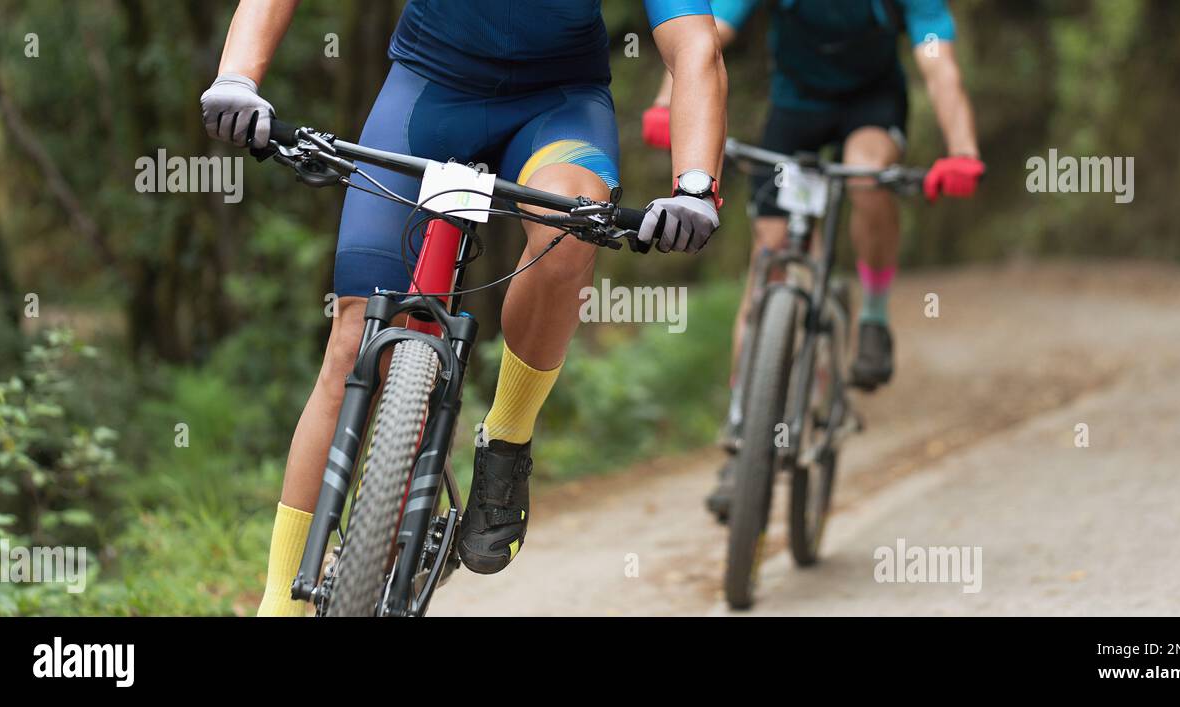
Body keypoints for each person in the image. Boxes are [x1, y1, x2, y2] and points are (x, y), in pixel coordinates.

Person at [202, 0, 726, 617]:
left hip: (559, 108)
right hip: (428, 90)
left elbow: (695, 46)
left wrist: (694, 186)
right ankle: (280, 606)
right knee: (353, 338)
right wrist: (238, 77)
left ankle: (507, 437)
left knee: (567, 237)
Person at [643, 0, 982, 515]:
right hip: (797, 107)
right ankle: (743, 432)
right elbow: (703, 35)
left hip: (872, 108)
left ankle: (872, 316)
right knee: (769, 255)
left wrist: (961, 151)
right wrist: (668, 104)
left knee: (866, 175)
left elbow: (937, 63)